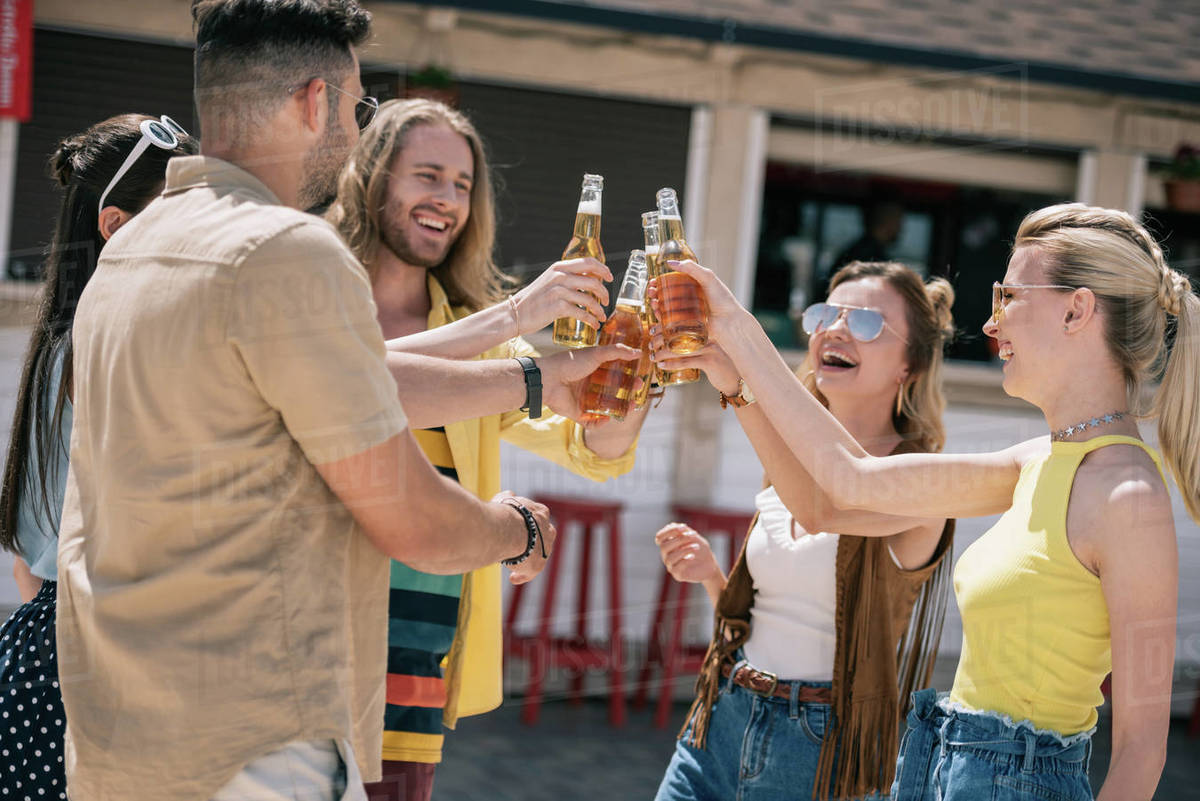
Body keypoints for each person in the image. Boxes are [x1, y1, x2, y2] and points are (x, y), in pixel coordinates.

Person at [54, 3, 632, 799]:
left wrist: (531, 376)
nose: (358, 132)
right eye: (358, 107)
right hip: (253, 742)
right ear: (313, 102)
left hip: (118, 736)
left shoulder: (130, 251)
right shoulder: (289, 252)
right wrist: (516, 528)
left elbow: (368, 380)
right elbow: (409, 515)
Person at [653, 202, 1198, 801]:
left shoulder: (1129, 496)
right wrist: (732, 355)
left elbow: (1142, 752)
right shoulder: (1036, 461)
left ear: (1076, 310)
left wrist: (735, 324)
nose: (991, 325)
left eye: (1008, 296)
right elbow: (846, 484)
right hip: (937, 767)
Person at [326, 98, 649, 801]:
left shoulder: (481, 337)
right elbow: (349, 379)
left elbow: (591, 447)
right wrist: (520, 315)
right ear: (374, 178)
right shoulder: (317, 301)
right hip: (304, 665)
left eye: (463, 184)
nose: (447, 199)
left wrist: (627, 385)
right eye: (428, 175)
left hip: (413, 679)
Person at [650, 261, 956, 801]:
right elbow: (763, 620)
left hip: (819, 750)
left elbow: (823, 509)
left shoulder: (923, 481)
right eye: (825, 314)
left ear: (909, 364)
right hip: (721, 718)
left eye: (864, 322)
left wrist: (739, 384)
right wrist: (713, 578)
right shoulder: (786, 459)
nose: (835, 329)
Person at [0, 112, 198, 801]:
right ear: (115, 225)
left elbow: (29, 557)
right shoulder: (122, 347)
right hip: (98, 678)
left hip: (42, 658)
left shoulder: (65, 344)